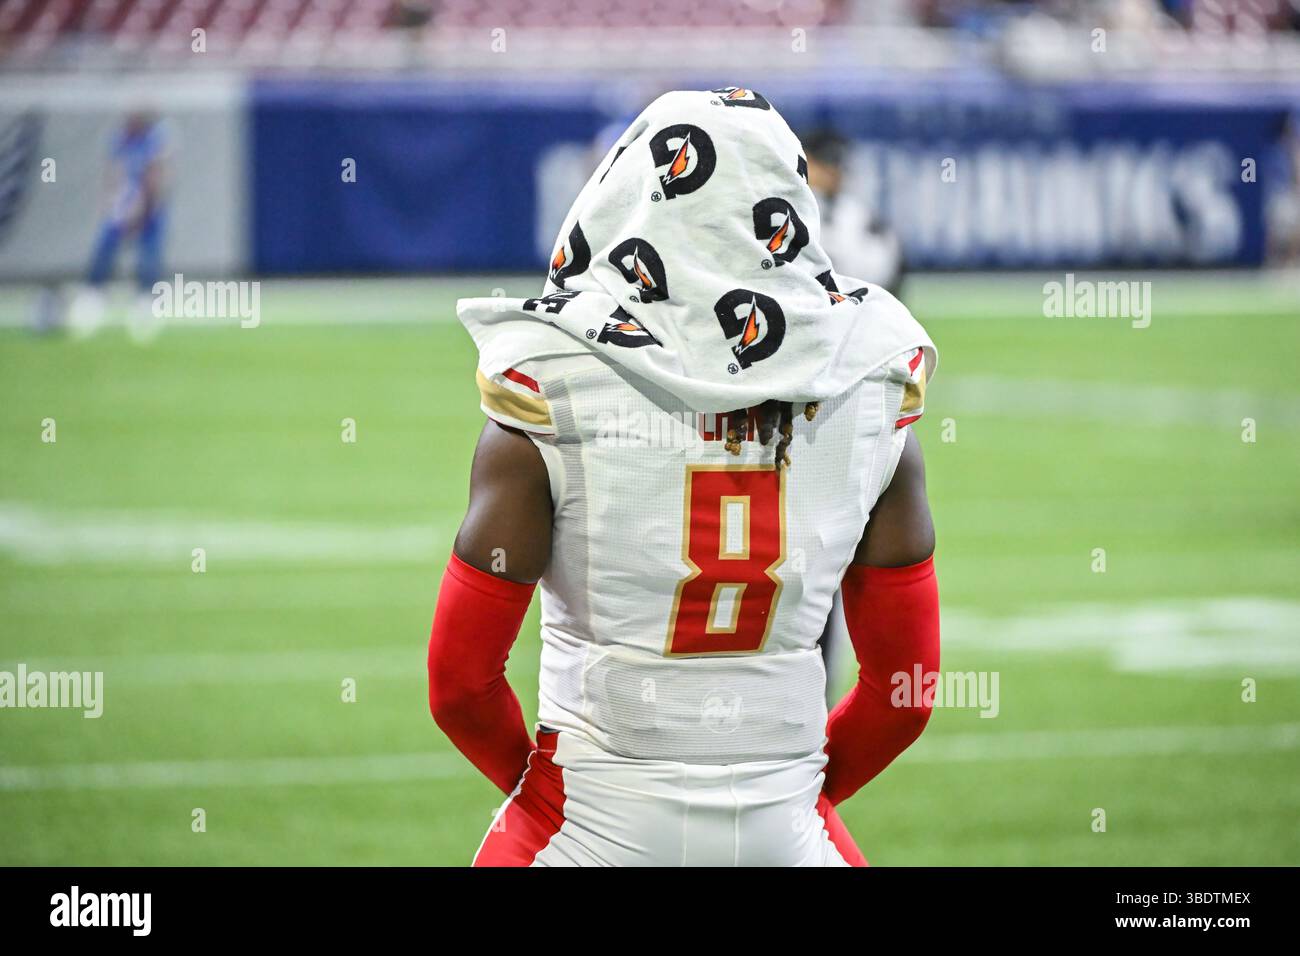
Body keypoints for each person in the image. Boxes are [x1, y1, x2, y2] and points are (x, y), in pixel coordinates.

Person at [428, 89, 940, 866]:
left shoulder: (553, 389)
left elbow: (459, 685)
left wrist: (547, 792)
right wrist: (790, 799)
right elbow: (905, 695)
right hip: (785, 831)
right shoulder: (872, 396)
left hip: (586, 825)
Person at [802, 126, 906, 296]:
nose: (833, 171)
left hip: (855, 302)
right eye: (825, 162)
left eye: (837, 163)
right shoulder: (785, 207)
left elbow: (889, 275)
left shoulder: (857, 215)